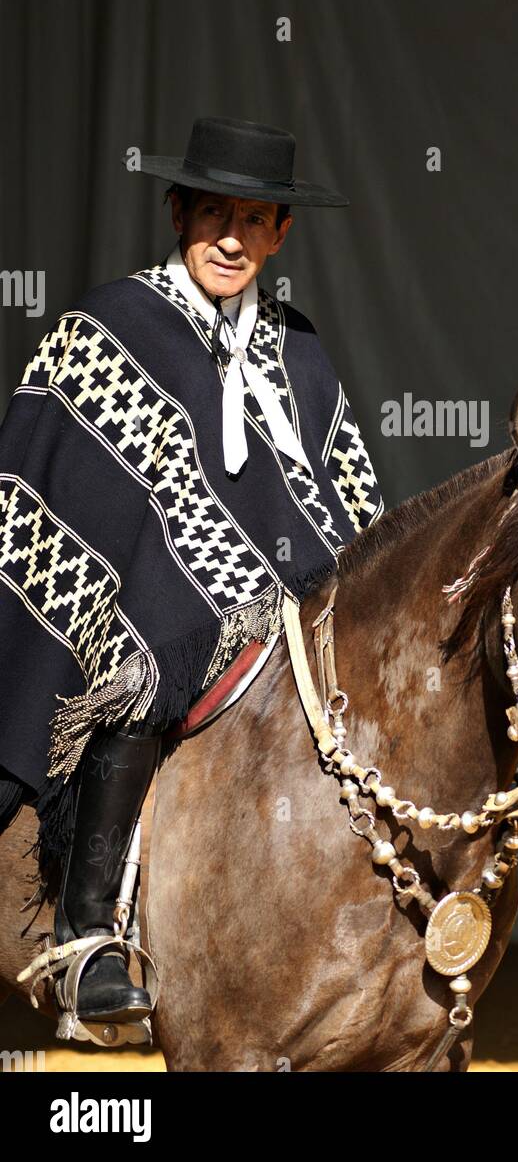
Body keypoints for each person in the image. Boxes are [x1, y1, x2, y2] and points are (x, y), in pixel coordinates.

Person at [0, 115, 384, 1022]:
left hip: (282, 609)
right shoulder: (113, 323)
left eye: (253, 220)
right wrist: (175, 578)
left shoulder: (300, 347)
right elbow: (61, 479)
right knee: (152, 650)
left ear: (280, 232)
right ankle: (87, 937)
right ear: (178, 212)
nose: (230, 237)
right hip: (130, 590)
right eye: (213, 212)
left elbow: (341, 495)